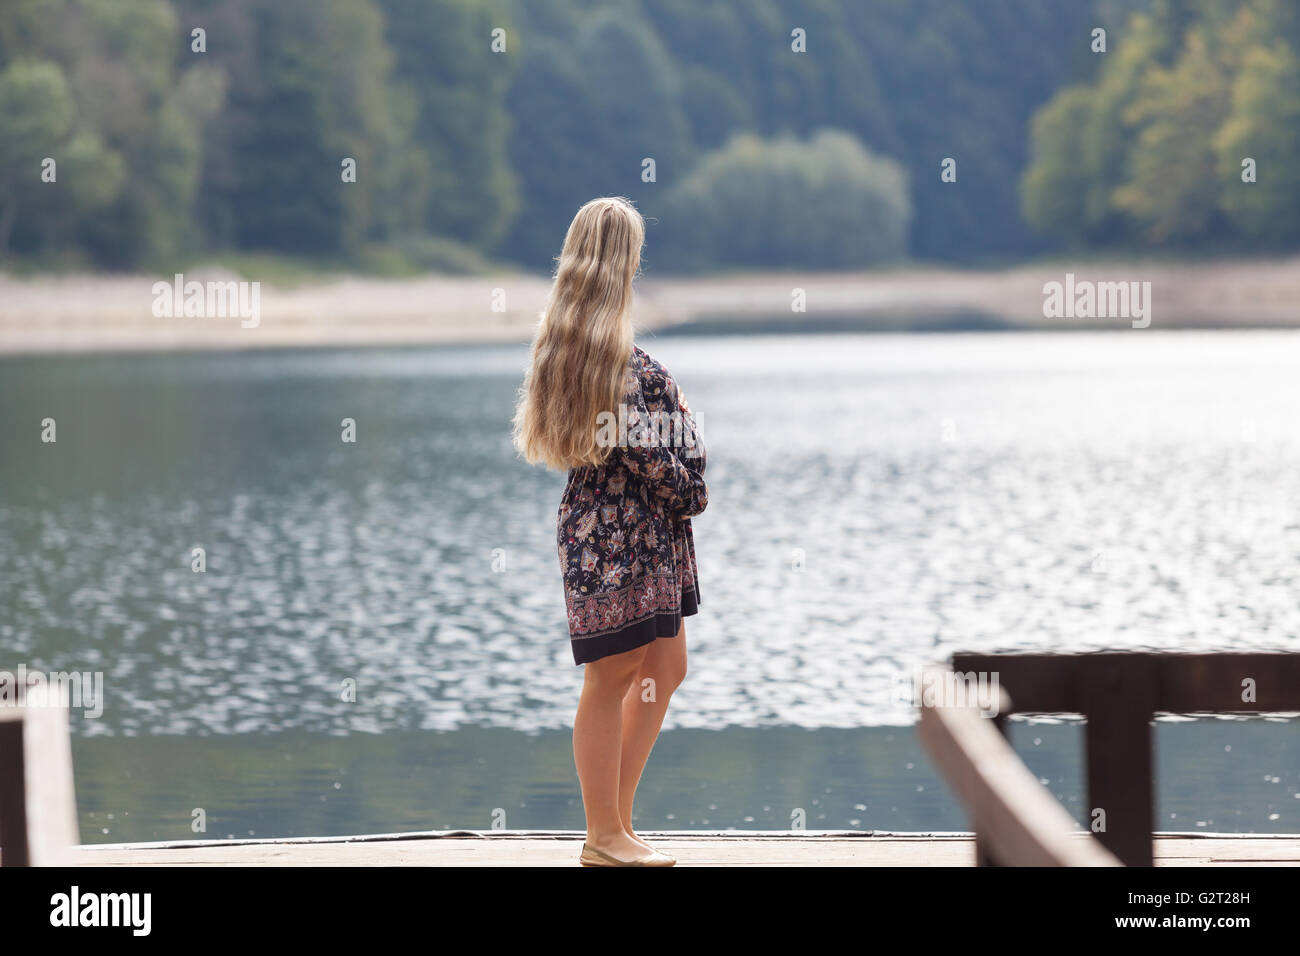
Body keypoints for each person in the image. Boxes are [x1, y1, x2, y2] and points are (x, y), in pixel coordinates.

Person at [512, 196, 708, 866]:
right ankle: (603, 835)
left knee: (665, 667)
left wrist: (683, 435)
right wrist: (692, 472)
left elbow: (669, 438)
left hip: (647, 531)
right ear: (619, 260)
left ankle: (616, 825)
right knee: (612, 675)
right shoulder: (605, 359)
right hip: (615, 531)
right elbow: (661, 457)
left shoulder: (587, 348)